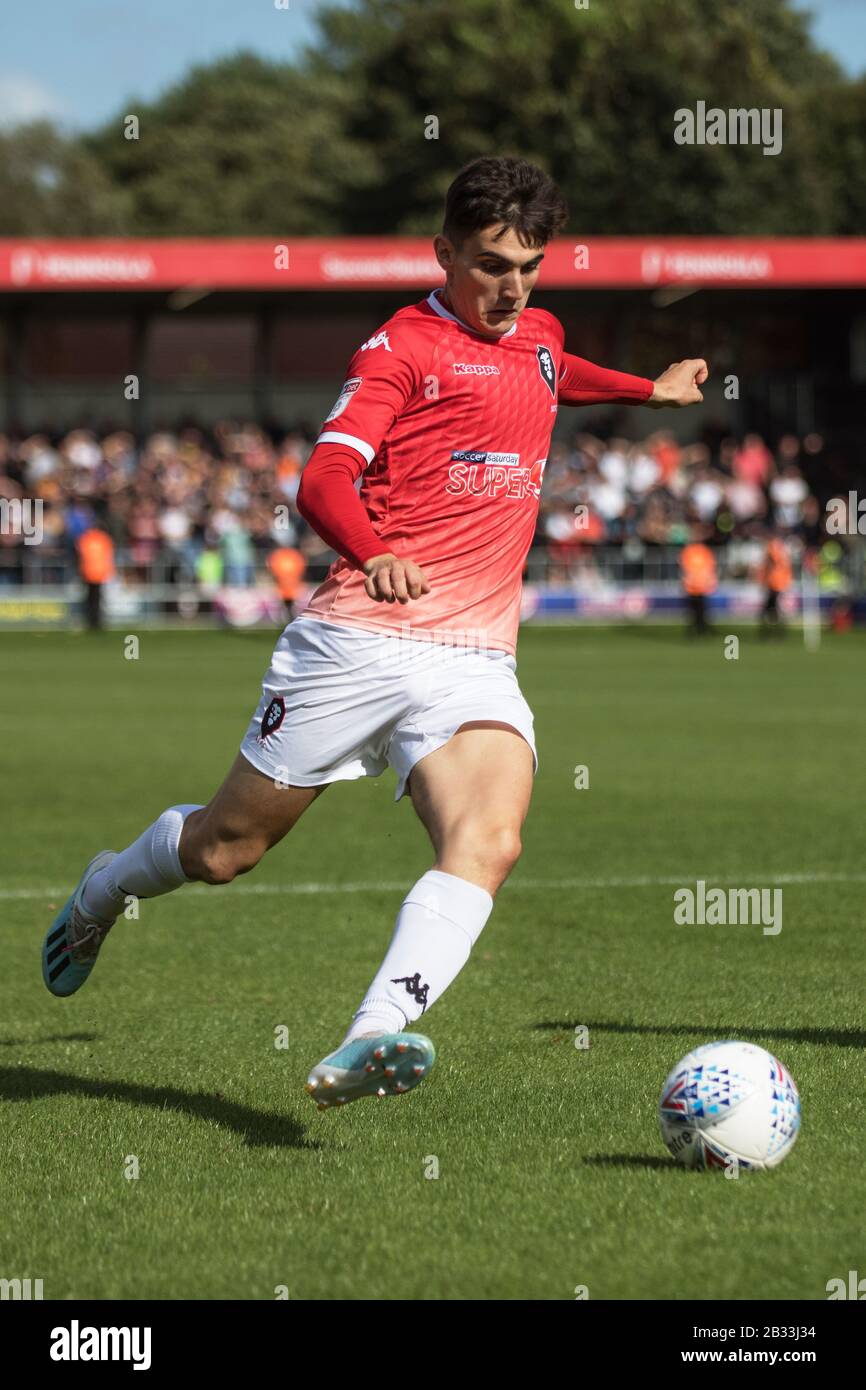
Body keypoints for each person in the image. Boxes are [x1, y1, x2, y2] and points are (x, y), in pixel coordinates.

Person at [41, 156, 707, 1109]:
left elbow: (555, 373)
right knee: (226, 851)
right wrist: (374, 548)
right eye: (488, 265)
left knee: (492, 838)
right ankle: (106, 889)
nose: (510, 286)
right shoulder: (402, 346)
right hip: (360, 637)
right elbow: (320, 481)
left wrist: (651, 391)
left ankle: (372, 1035)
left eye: (528, 264)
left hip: (474, 655)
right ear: (443, 253)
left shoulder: (541, 332)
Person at [76, 517, 115, 630]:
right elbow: (108, 555)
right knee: (97, 598)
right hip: (100, 572)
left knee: (90, 598)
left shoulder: (86, 538)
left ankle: (92, 620)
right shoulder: (104, 538)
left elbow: (81, 554)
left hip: (88, 572)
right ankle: (96, 620)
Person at [680, 534, 717, 635]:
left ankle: (701, 629)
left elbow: (710, 568)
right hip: (693, 586)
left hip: (700, 586)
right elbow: (684, 568)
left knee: (701, 610)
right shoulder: (690, 551)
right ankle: (696, 629)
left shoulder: (703, 551)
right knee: (694, 610)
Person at [757, 533, 792, 636]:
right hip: (778, 584)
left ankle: (772, 631)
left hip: (774, 584)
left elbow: (771, 563)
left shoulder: (772, 548)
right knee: (773, 609)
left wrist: (764, 580)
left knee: (771, 610)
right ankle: (775, 630)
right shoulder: (782, 550)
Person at [267, 544, 306, 621]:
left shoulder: (293, 555)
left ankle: (287, 616)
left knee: (290, 603)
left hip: (292, 584)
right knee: (283, 603)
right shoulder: (279, 555)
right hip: (282, 584)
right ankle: (283, 617)